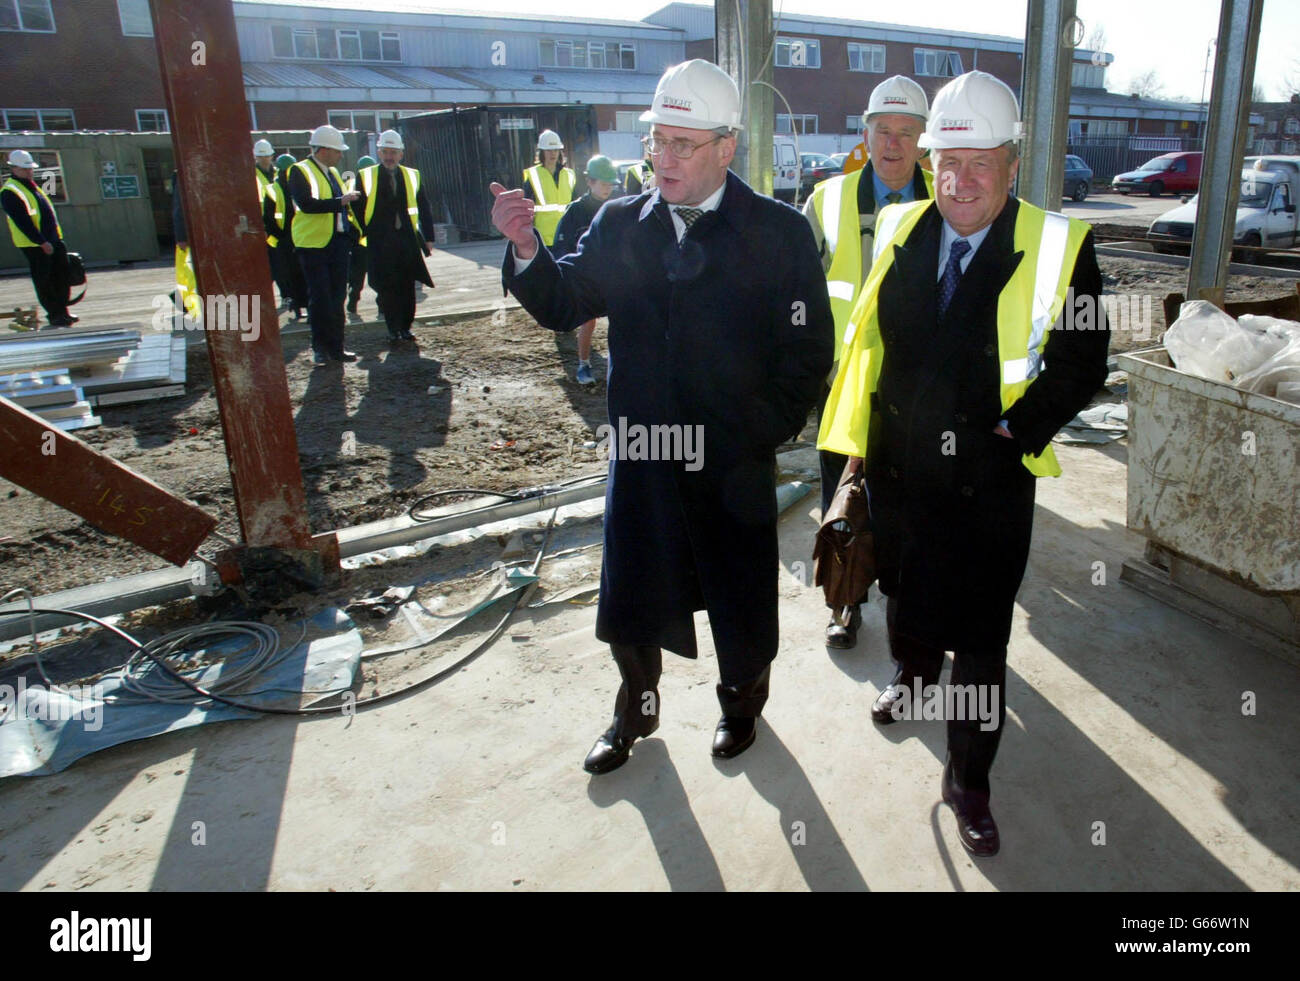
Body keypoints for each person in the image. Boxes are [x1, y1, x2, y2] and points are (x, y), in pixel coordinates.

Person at [491, 59, 833, 772]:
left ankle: (741, 706)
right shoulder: (623, 224)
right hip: (644, 455)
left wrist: (756, 434)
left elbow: (807, 354)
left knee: (739, 600)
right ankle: (633, 711)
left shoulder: (777, 233)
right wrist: (528, 248)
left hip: (731, 461)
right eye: (657, 142)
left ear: (727, 147)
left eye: (683, 144)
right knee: (634, 598)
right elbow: (565, 299)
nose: (663, 159)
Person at [818, 71, 1110, 857]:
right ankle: (911, 676)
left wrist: (1019, 429)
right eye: (948, 158)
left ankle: (969, 779)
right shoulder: (903, 227)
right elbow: (868, 350)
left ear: (1013, 166)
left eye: (981, 162)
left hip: (988, 488)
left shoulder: (1060, 246)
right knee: (907, 600)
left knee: (980, 640)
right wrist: (854, 462)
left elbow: (1085, 362)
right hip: (903, 476)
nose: (960, 179)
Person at [804, 75, 933, 651]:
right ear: (866, 134)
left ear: (923, 141)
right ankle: (845, 602)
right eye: (884, 130)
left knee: (915, 503)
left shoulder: (949, 203)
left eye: (907, 133)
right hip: (843, 385)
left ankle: (913, 617)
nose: (894, 144)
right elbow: (797, 294)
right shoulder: (827, 201)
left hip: (919, 389)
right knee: (844, 500)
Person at [351, 130, 434, 344]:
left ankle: (405, 327)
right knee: (387, 287)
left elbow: (424, 206)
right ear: (379, 153)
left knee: (407, 286)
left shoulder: (412, 175)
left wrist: (429, 237)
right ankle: (393, 328)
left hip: (406, 240)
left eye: (393, 152)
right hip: (380, 241)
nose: (389, 156)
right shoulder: (366, 176)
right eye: (386, 152)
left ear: (401, 154)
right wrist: (365, 233)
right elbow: (356, 209)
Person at [289, 124, 361, 365]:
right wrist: (341, 201)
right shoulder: (300, 171)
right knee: (320, 298)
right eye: (337, 151)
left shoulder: (332, 173)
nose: (341, 155)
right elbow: (306, 204)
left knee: (337, 297)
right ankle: (320, 348)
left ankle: (336, 347)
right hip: (313, 245)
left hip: (337, 244)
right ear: (324, 150)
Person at [551, 155, 620, 385]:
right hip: (588, 278)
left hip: (613, 277)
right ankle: (584, 364)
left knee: (620, 320)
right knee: (588, 321)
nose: (608, 189)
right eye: (603, 184)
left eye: (611, 184)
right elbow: (562, 247)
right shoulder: (575, 212)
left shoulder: (617, 208)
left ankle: (616, 363)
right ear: (589, 182)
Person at [4, 149, 76, 327]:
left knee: (62, 275)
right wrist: (41, 241)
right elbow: (22, 221)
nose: (29, 171)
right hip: (35, 244)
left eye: (30, 168)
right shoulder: (10, 191)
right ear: (13, 168)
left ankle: (63, 311)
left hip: (53, 240)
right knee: (45, 279)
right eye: (24, 169)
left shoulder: (32, 186)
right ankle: (54, 314)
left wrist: (52, 240)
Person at [264, 153, 307, 322]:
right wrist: (279, 235)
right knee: (294, 274)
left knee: (297, 274)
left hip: (294, 236)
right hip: (288, 238)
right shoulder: (274, 190)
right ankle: (298, 306)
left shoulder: (293, 187)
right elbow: (269, 217)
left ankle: (298, 306)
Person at [253, 138, 291, 311]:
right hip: (260, 224)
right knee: (265, 266)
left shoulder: (278, 173)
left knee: (279, 264)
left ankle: (285, 296)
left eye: (267, 156)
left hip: (277, 225)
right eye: (261, 157)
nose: (264, 159)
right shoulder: (251, 175)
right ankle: (262, 298)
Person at [522, 129, 575, 248]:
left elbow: (576, 204)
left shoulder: (569, 174)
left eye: (556, 150)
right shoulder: (533, 175)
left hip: (566, 235)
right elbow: (526, 207)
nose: (553, 154)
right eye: (549, 150)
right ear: (542, 152)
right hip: (543, 238)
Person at [344, 154, 375, 324]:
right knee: (373, 274)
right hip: (364, 237)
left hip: (358, 238)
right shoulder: (367, 185)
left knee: (357, 275)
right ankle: (354, 302)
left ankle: (353, 302)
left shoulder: (350, 184)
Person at [170, 168, 202, 322]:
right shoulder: (183, 178)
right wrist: (182, 237)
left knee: (189, 277)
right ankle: (190, 307)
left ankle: (190, 306)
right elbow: (178, 210)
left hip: (199, 235)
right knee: (189, 277)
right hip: (191, 239)